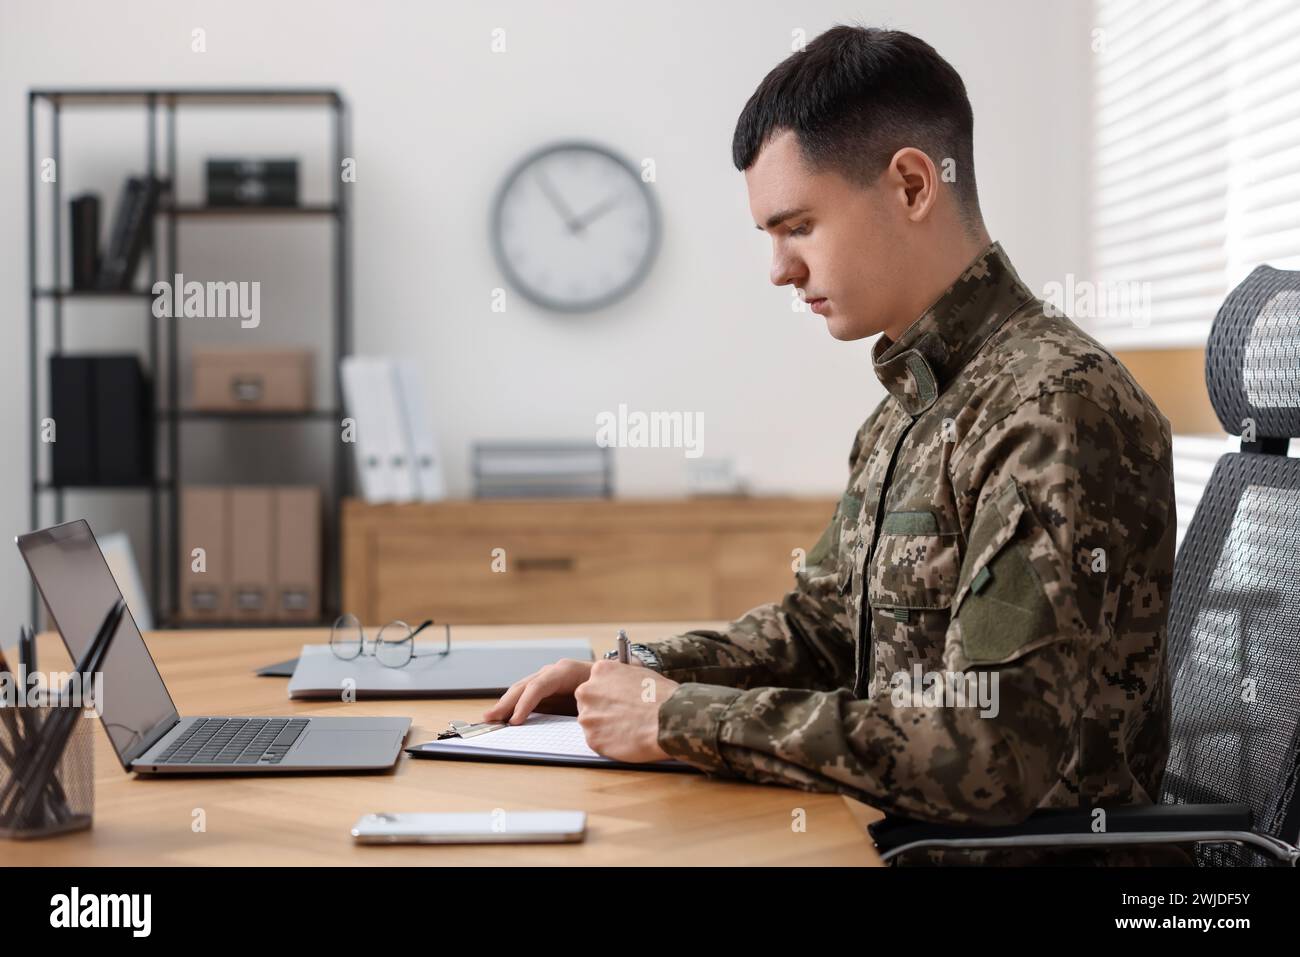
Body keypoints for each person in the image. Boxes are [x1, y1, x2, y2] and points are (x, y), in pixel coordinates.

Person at [485, 24, 1189, 865]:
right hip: (885, 838)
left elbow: (988, 749)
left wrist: (675, 718)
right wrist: (628, 670)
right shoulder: (911, 404)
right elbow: (821, 630)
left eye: (799, 226)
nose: (778, 269)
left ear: (912, 185)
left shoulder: (1055, 409)